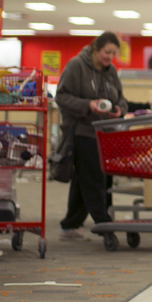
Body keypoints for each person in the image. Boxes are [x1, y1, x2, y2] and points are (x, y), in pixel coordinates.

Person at [56, 32, 127, 240]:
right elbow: (61, 96)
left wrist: (119, 110)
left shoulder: (111, 71)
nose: (110, 57)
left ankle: (70, 224)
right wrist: (88, 105)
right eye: (107, 52)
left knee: (85, 179)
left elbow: (121, 98)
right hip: (82, 131)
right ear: (95, 49)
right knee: (95, 179)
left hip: (106, 133)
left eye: (114, 53)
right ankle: (104, 224)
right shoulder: (76, 66)